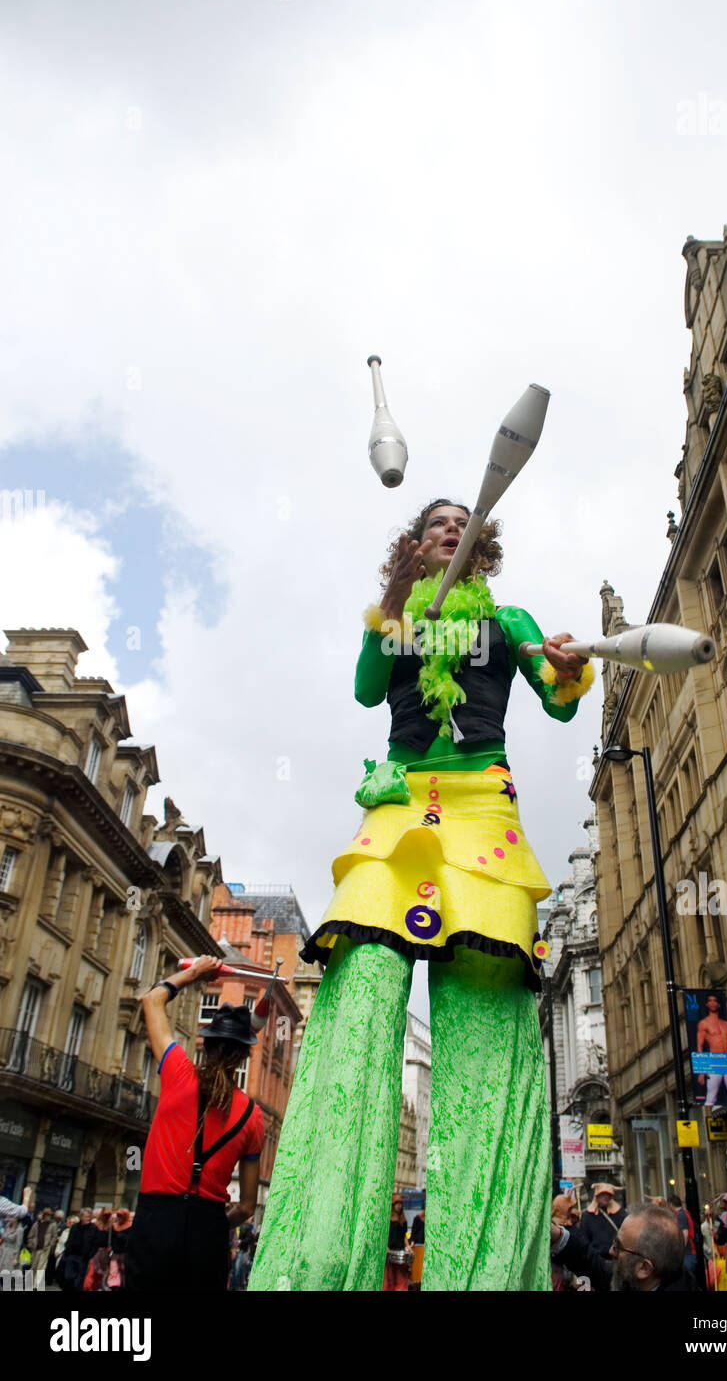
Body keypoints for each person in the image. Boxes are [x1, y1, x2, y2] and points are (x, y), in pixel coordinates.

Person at [249, 501, 593, 1293]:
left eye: (466, 519)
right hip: (398, 804)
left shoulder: (507, 618)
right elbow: (371, 689)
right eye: (438, 519)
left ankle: (484, 1278)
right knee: (361, 1000)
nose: (453, 526)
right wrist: (395, 600)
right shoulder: (397, 618)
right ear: (415, 541)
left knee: (481, 1035)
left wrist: (568, 664)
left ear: (483, 544)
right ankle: (316, 1267)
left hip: (484, 813)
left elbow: (560, 695)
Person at [125, 954, 265, 1293]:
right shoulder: (252, 1116)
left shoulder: (177, 1073)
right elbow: (247, 1206)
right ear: (244, 1055)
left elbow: (152, 999)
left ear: (206, 1044)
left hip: (155, 1224)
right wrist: (215, 1223)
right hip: (208, 1234)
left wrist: (196, 972)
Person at [551, 1199, 697, 1291]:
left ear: (644, 1268)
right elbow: (593, 1264)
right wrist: (557, 1236)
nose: (610, 1250)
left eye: (618, 1247)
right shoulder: (636, 1279)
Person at [696, 995, 727, 1107]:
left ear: (719, 1004)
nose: (713, 1003)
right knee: (711, 1097)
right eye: (710, 1001)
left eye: (715, 1000)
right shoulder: (704, 1023)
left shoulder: (726, 1024)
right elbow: (699, 1046)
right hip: (715, 1059)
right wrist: (701, 1070)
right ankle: (707, 1122)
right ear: (707, 1004)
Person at [577, 1183, 625, 1258]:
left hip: (616, 1258)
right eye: (603, 1194)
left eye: (608, 1194)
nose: (606, 1197)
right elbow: (584, 1241)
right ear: (597, 1196)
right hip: (597, 1259)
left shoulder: (620, 1213)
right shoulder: (587, 1216)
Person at [60, 1207, 99, 1291]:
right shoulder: (75, 1227)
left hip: (83, 1258)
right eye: (86, 1216)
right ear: (81, 1216)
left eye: (89, 1217)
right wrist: (68, 1250)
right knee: (68, 1277)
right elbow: (69, 1239)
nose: (88, 1219)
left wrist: (90, 1254)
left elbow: (96, 1244)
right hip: (71, 1255)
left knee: (79, 1281)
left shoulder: (94, 1228)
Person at [383, 1193, 411, 1291]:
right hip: (389, 1252)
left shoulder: (403, 1220)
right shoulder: (387, 1219)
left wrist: (408, 1247)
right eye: (397, 1204)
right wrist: (385, 1247)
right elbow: (384, 1235)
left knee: (401, 1277)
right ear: (393, 1205)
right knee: (389, 1277)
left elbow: (405, 1236)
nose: (399, 1206)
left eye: (401, 1204)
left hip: (399, 1251)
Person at [27, 1207, 60, 1281]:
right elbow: (30, 1235)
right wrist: (31, 1244)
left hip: (45, 1249)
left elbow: (55, 1236)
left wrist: (50, 1245)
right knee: (34, 1266)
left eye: (50, 1215)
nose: (48, 1217)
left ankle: (36, 1286)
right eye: (47, 1215)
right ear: (44, 1215)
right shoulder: (37, 1224)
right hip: (35, 1248)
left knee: (41, 1267)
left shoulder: (53, 1224)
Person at [668, 1193, 696, 1275]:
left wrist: (680, 1250)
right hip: (689, 1253)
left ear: (670, 1204)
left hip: (687, 1254)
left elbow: (685, 1234)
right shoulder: (684, 1213)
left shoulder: (680, 1215)